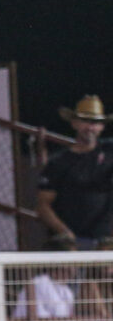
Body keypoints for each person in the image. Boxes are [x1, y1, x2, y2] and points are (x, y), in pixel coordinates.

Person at [36, 95, 113, 250]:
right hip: (68, 244)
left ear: (102, 127)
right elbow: (43, 205)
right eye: (85, 121)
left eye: (95, 123)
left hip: (105, 242)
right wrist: (66, 234)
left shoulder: (109, 153)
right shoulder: (58, 162)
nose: (90, 127)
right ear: (74, 123)